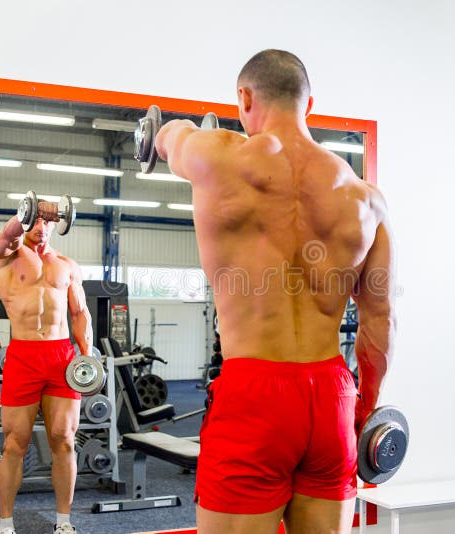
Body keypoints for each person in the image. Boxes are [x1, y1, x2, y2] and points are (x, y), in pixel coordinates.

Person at [155, 49, 397, 534]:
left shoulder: (218, 155)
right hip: (332, 396)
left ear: (244, 97)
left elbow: (166, 137)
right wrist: (362, 408)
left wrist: (171, 130)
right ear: (309, 104)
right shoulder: (365, 198)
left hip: (254, 392)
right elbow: (381, 320)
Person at [0, 204, 93, 534]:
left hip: (61, 356)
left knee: (64, 440)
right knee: (14, 444)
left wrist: (86, 356)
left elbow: (79, 313)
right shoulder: (6, 255)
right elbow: (8, 234)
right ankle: (6, 524)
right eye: (35, 219)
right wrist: (28, 208)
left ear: (56, 225)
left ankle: (64, 522)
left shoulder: (66, 265)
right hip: (24, 356)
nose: (41, 226)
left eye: (47, 220)